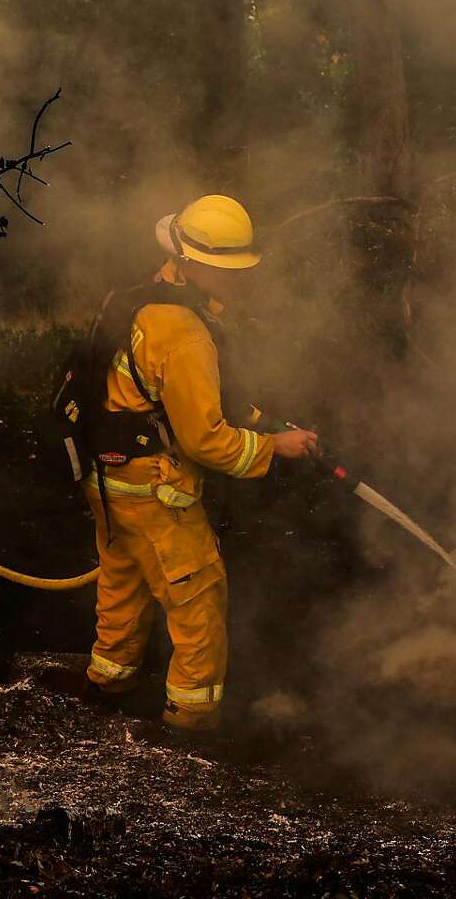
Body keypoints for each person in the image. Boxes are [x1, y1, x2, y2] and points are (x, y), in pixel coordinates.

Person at [80, 193, 320, 733]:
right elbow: (205, 441)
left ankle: (108, 684)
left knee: (124, 585)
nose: (237, 280)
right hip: (157, 493)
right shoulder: (185, 332)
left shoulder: (141, 299)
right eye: (226, 269)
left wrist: (263, 421)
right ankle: (191, 724)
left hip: (109, 480)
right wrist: (271, 448)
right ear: (192, 263)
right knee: (198, 604)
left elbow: (165, 396)